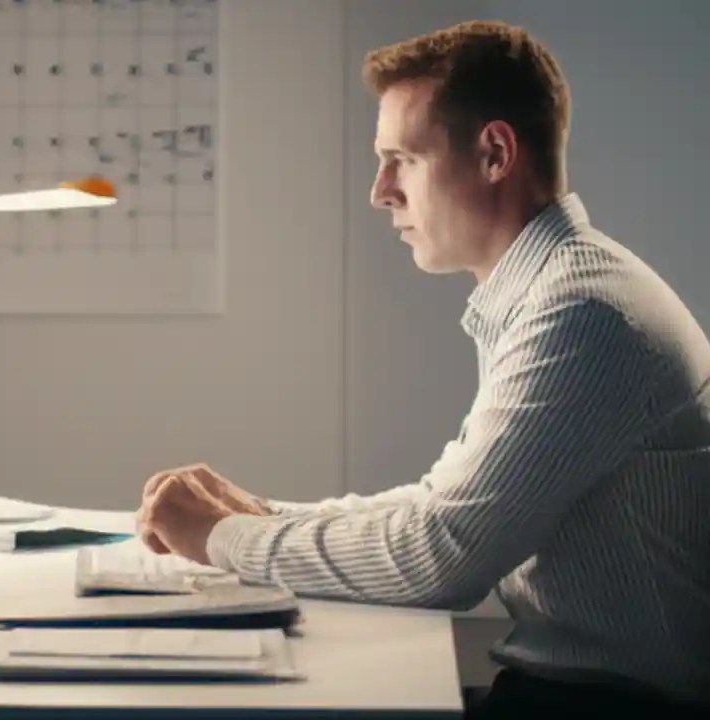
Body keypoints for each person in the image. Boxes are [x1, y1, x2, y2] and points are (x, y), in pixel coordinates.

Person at [134, 19, 709, 716]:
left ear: (495, 153)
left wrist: (221, 537)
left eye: (401, 158)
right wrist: (258, 514)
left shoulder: (583, 315)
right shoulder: (552, 291)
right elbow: (443, 505)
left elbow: (441, 555)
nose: (381, 191)